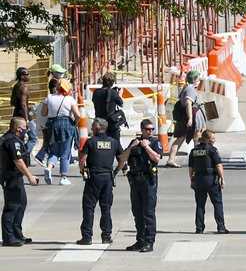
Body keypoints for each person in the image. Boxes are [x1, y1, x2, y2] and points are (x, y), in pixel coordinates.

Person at [78, 118, 124, 246]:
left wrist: (83, 171)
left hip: (94, 177)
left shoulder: (90, 142)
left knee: (88, 207)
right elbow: (122, 159)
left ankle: (87, 237)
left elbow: (82, 160)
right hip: (108, 178)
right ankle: (106, 236)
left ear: (98, 128)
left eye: (92, 126)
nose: (91, 128)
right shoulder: (113, 142)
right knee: (106, 208)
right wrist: (115, 172)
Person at [121, 118, 162, 252]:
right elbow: (122, 158)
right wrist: (132, 147)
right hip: (135, 180)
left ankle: (149, 241)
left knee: (148, 212)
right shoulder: (135, 142)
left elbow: (157, 158)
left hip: (148, 180)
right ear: (142, 130)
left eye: (152, 129)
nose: (150, 132)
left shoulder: (155, 142)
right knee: (137, 212)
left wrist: (146, 146)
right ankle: (140, 240)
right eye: (148, 129)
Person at [1, 118, 39, 247]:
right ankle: (8, 238)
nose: (26, 130)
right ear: (18, 129)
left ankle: (17, 234)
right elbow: (18, 161)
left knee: (21, 203)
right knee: (12, 206)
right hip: (10, 177)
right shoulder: (11, 141)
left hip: (15, 177)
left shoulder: (14, 139)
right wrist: (30, 176)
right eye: (25, 127)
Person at [40, 78, 80, 186]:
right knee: (65, 152)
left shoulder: (49, 97)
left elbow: (43, 113)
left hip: (52, 125)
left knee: (54, 151)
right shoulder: (70, 99)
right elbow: (78, 115)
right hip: (66, 124)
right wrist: (75, 123)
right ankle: (63, 177)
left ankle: (49, 168)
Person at [189, 130, 227, 235]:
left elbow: (191, 168)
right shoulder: (212, 150)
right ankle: (221, 227)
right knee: (217, 204)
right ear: (206, 139)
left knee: (200, 205)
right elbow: (218, 165)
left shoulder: (194, 151)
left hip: (198, 180)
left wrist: (191, 180)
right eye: (212, 138)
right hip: (211, 180)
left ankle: (199, 228)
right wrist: (222, 178)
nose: (214, 140)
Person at [167, 70, 205, 167]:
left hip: (188, 116)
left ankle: (171, 159)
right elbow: (188, 103)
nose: (199, 81)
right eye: (198, 79)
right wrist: (190, 119)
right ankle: (198, 160)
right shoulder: (190, 89)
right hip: (190, 117)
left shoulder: (188, 88)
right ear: (195, 80)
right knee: (195, 138)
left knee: (182, 138)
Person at [92, 72, 126, 140]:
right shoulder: (113, 93)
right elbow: (121, 104)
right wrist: (119, 94)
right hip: (111, 124)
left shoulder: (96, 92)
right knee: (115, 145)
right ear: (112, 83)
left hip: (99, 122)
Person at [10, 67, 34, 163]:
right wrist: (27, 119)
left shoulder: (16, 86)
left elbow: (13, 102)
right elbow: (23, 104)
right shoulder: (24, 87)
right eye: (27, 74)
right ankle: (23, 156)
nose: (29, 76)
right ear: (22, 76)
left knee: (18, 137)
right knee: (33, 137)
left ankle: (18, 156)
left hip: (16, 113)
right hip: (23, 116)